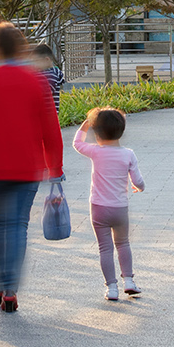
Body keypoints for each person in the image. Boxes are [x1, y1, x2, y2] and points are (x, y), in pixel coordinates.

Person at [0, 21, 64, 313]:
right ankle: (11, 288)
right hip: (25, 164)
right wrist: (54, 165)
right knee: (17, 224)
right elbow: (49, 127)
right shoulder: (36, 80)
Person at [73, 107, 146, 301]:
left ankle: (111, 288)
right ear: (122, 131)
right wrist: (139, 187)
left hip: (98, 208)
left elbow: (77, 144)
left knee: (104, 248)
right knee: (123, 243)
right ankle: (129, 281)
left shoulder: (95, 152)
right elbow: (138, 181)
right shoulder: (128, 154)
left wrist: (85, 125)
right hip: (120, 208)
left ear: (96, 134)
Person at [30, 42, 66, 112]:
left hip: (47, 114)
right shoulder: (56, 72)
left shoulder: (50, 75)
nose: (34, 65)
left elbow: (42, 93)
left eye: (36, 61)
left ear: (47, 60)